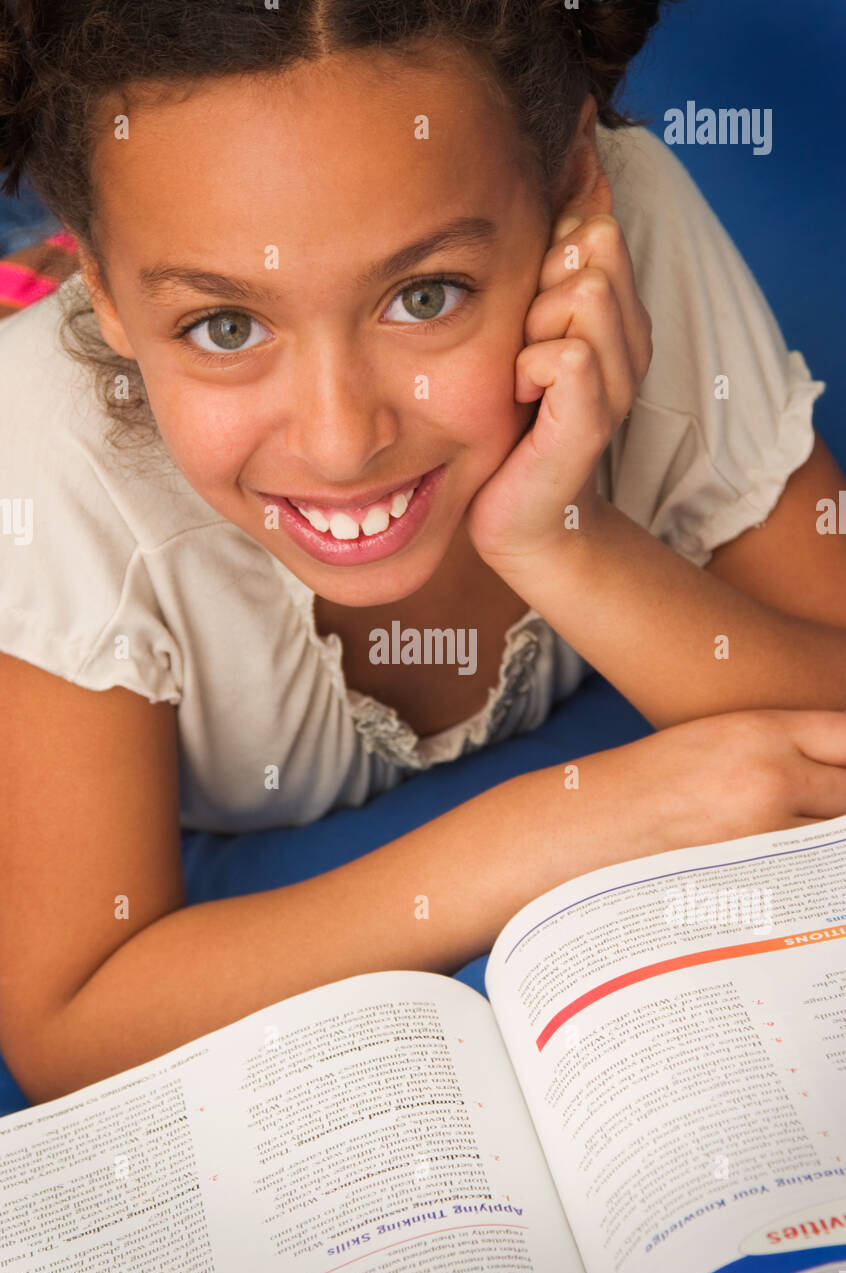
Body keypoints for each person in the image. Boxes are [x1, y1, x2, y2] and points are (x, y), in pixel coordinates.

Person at [1, 0, 846, 1105]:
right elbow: (74, 1018)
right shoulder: (47, 457)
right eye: (224, 326)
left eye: (424, 296)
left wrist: (563, 540)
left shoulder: (627, 246)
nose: (341, 438)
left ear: (574, 195)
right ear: (105, 294)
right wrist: (576, 818)